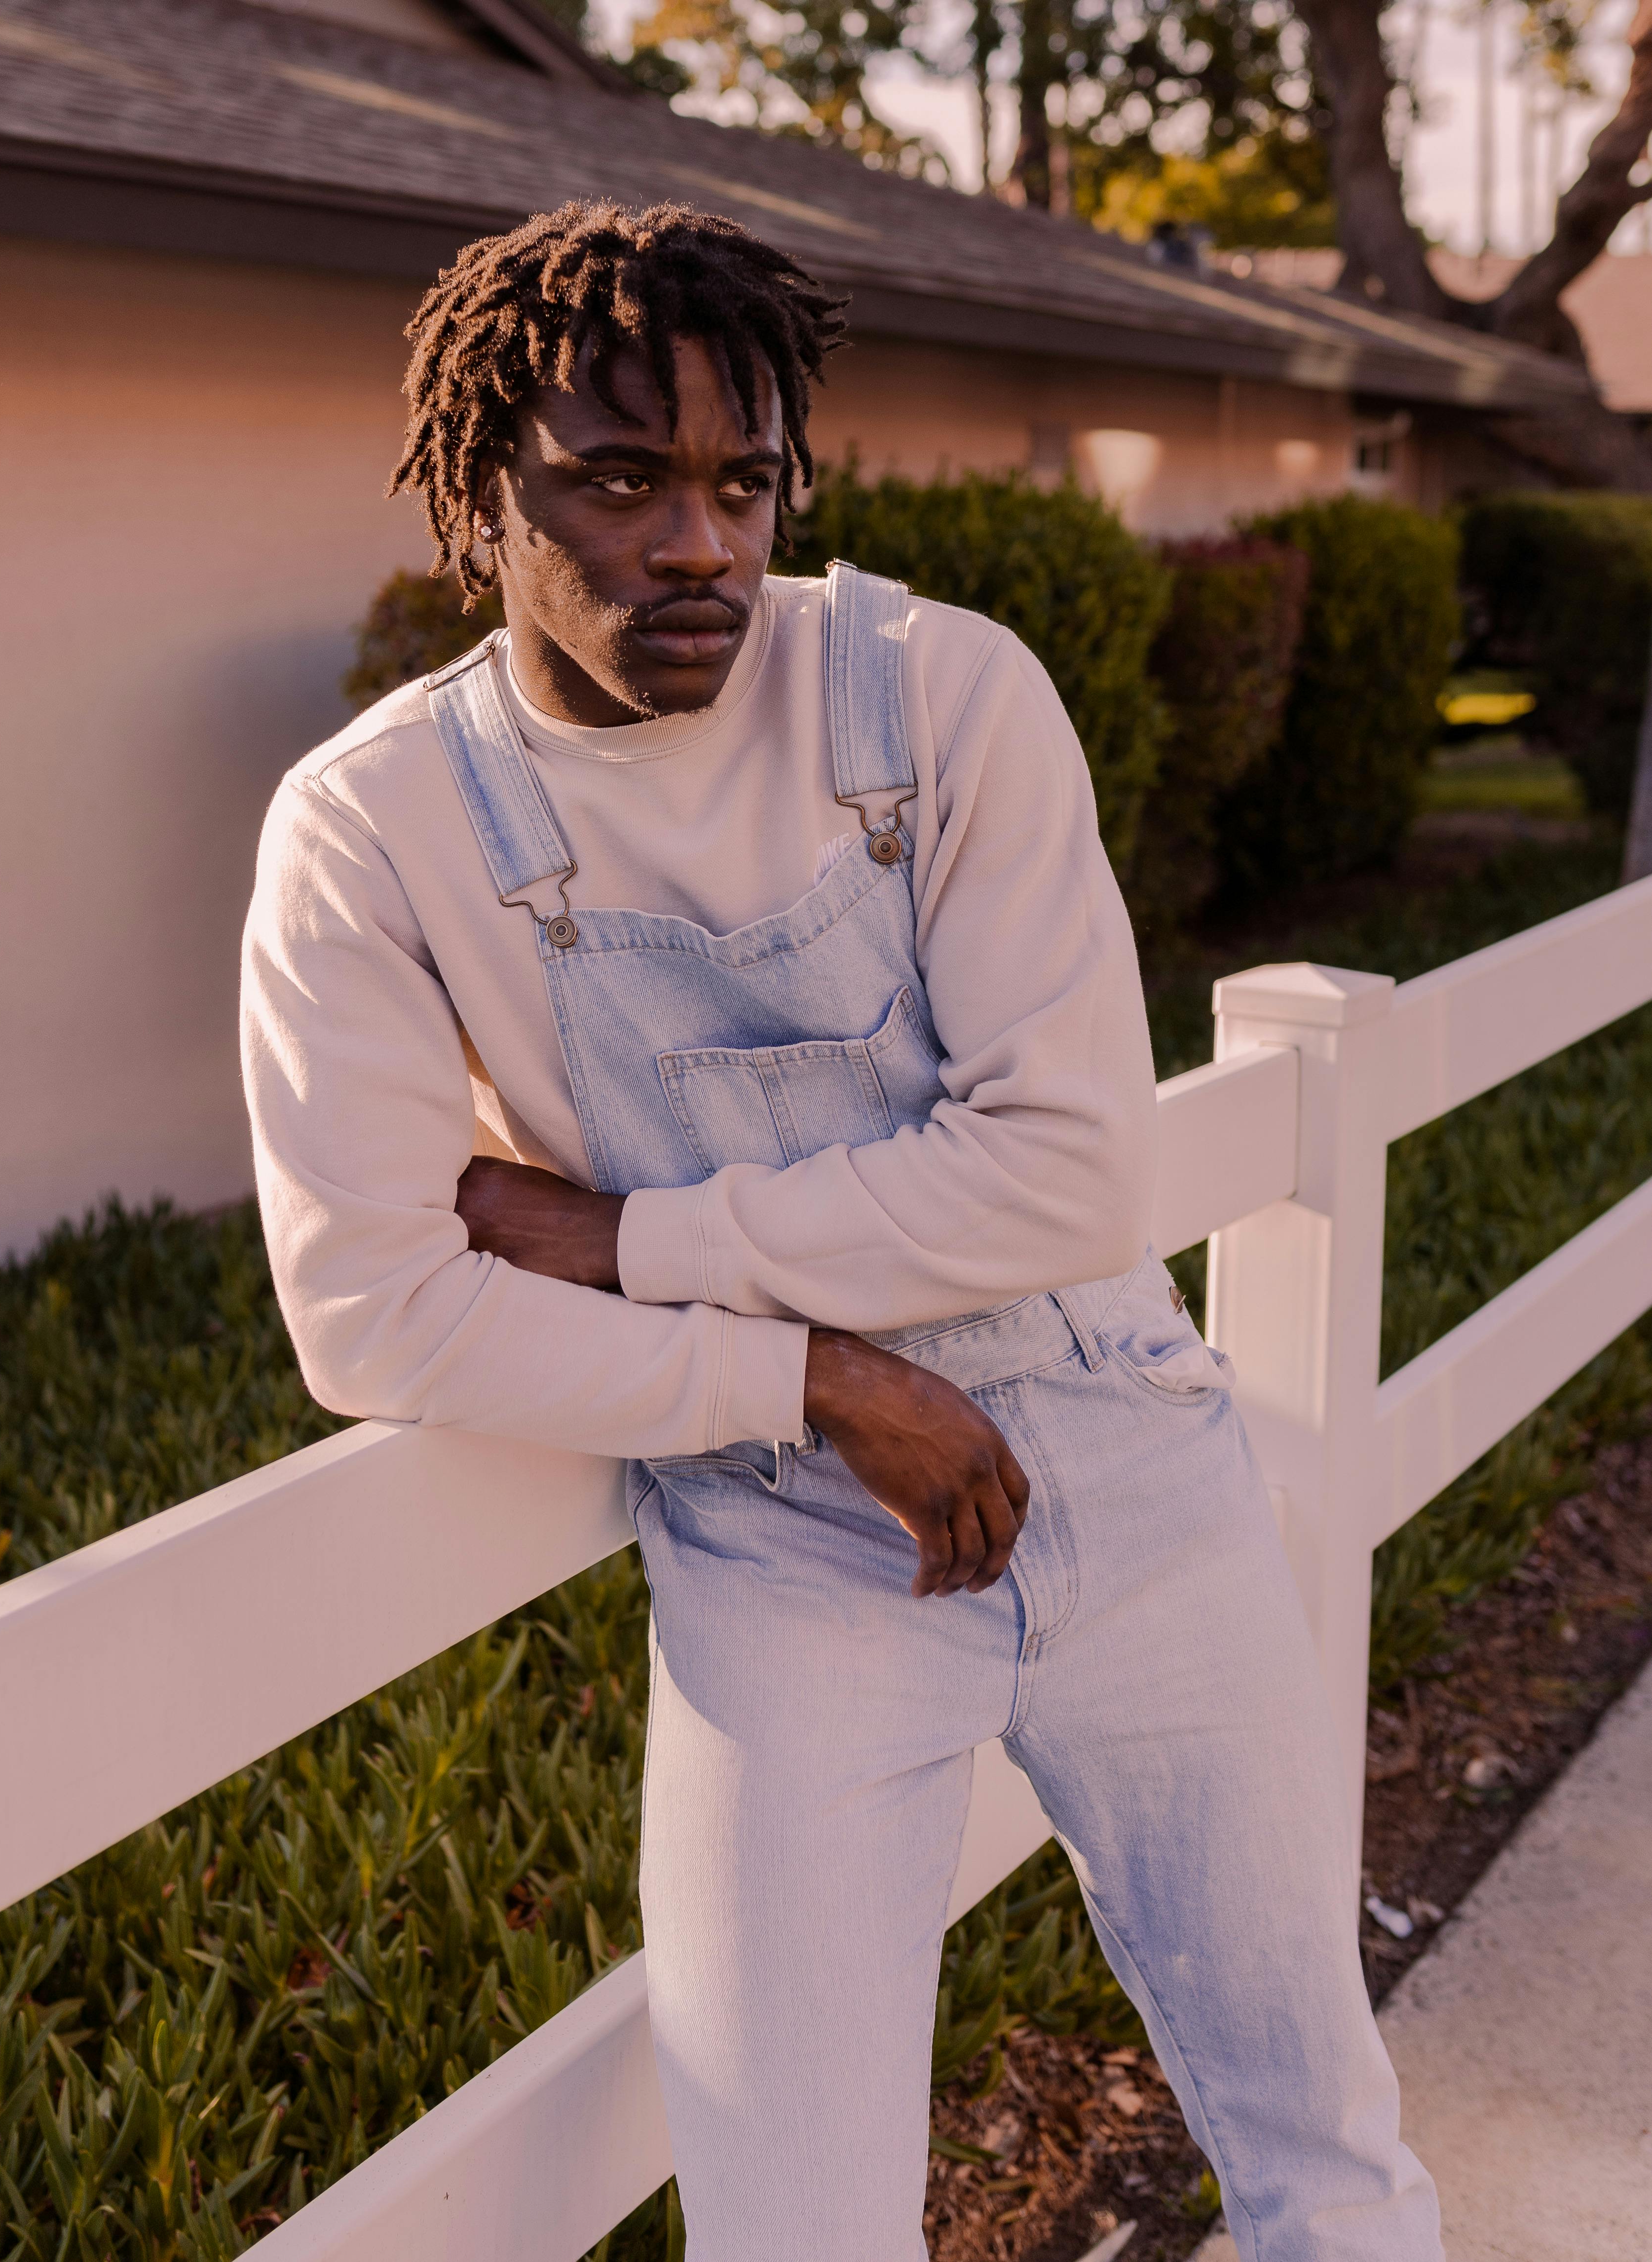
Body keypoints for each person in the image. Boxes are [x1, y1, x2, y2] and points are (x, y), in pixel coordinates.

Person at [241, 200, 1441, 2262]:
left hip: (1132, 1460)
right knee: (790, 2227)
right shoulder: (372, 827)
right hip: (778, 1532)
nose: (697, 543)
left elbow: (1070, 1180)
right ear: (478, 496)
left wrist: (623, 1241)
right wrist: (809, 1382)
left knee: (1318, 2147)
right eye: (618, 481)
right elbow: (370, 1312)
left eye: (739, 482)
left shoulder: (936, 694)